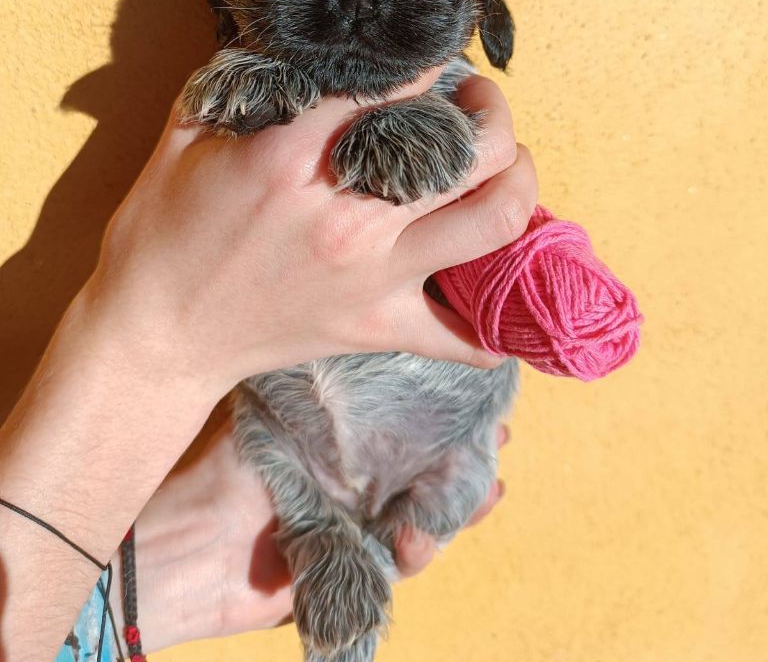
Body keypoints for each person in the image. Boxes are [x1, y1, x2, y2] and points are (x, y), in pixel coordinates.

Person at [0, 67, 537, 661]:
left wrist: (148, 578)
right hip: (294, 445)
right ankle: (315, 529)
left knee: (437, 503)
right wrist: (160, 344)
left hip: (409, 446)